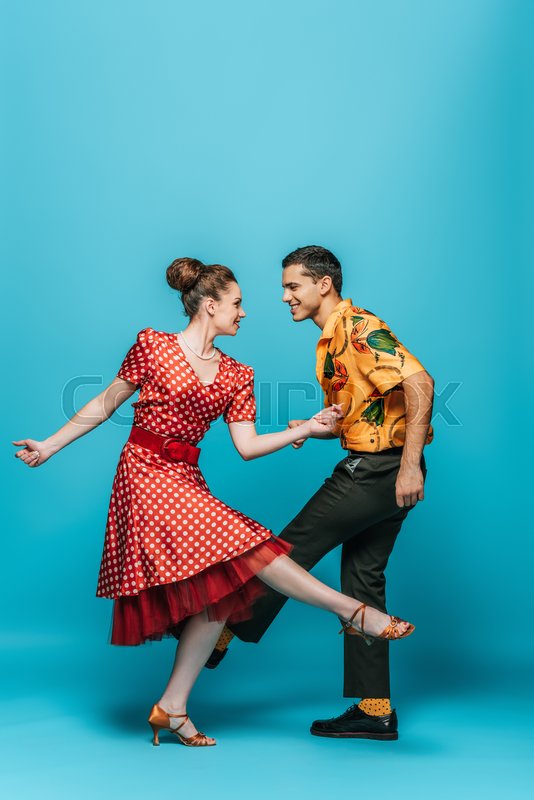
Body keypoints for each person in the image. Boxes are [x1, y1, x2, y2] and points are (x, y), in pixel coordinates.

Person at [12, 257, 415, 748]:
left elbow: (246, 447)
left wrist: (308, 428)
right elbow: (107, 402)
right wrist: (50, 445)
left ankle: (172, 708)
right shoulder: (153, 345)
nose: (245, 313)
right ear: (209, 306)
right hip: (143, 473)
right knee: (249, 545)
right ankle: (352, 611)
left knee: (219, 593)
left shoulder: (236, 374)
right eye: (237, 304)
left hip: (186, 478)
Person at [207, 246, 434, 742]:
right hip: (379, 462)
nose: (284, 296)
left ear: (323, 285)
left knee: (285, 551)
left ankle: (220, 632)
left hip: (380, 470)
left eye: (293, 286)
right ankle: (374, 710)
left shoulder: (358, 328)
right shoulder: (330, 342)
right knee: (362, 578)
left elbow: (419, 382)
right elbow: (368, 411)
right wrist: (314, 428)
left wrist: (410, 464)